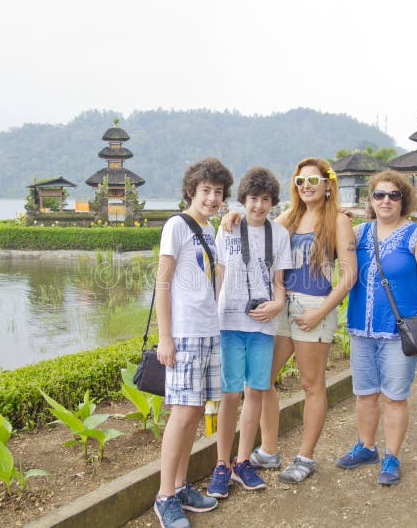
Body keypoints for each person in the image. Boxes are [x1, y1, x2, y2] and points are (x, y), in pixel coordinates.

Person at [222, 156, 357, 484]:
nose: (307, 187)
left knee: (312, 385)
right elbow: (257, 221)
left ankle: (305, 456)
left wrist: (322, 312)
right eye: (301, 182)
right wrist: (233, 213)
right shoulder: (290, 217)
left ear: (328, 184)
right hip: (281, 307)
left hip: (315, 308)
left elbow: (349, 275)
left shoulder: (337, 220)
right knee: (262, 380)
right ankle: (268, 450)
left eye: (314, 181)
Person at [335, 170, 417, 486]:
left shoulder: (416, 236)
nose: (386, 200)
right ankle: (366, 446)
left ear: (403, 200)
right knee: (365, 393)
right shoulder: (358, 233)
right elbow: (325, 241)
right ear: (370, 200)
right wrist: (339, 219)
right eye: (379, 195)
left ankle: (392, 455)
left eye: (393, 195)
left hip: (400, 331)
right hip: (361, 328)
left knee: (394, 397)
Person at [153, 158, 234, 528]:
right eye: (206, 191)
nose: (212, 198)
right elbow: (163, 283)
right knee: (182, 414)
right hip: (183, 333)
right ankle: (165, 496)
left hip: (208, 331)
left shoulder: (211, 228)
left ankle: (182, 485)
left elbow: (213, 279)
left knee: (197, 411)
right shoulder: (176, 226)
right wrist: (164, 337)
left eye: (218, 193)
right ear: (191, 190)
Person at [207, 167, 293, 498]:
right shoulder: (228, 228)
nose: (258, 206)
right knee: (230, 395)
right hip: (229, 324)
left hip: (263, 325)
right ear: (243, 200)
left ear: (273, 201)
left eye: (266, 199)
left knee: (256, 391)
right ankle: (221, 464)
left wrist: (277, 304)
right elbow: (219, 275)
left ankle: (243, 461)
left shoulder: (279, 234)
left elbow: (279, 284)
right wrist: (210, 319)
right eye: (253, 199)